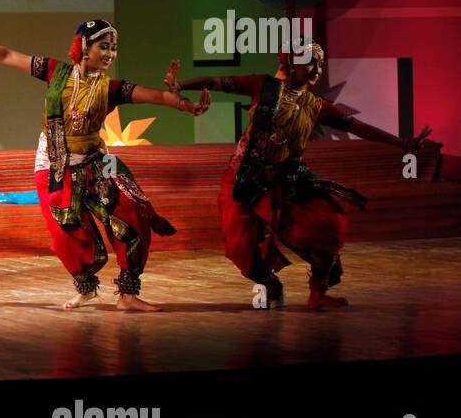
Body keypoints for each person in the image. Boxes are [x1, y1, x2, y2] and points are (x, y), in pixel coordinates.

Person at [0, 17, 211, 311]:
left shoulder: (111, 88)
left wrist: (183, 103)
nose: (110, 54)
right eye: (104, 46)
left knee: (132, 215)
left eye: (114, 48)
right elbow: (7, 55)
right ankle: (86, 289)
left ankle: (128, 295)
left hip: (95, 162)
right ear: (84, 45)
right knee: (67, 234)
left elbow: (153, 95)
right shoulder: (56, 72)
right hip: (53, 166)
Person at [166, 40, 436, 310]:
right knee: (243, 251)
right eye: (310, 62)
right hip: (244, 179)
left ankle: (317, 293)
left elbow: (356, 126)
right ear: (290, 64)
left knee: (327, 224)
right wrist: (181, 86)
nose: (317, 69)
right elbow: (217, 82)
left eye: (320, 63)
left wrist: (402, 144)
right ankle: (269, 283)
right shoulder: (264, 86)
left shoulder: (315, 104)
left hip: (288, 179)